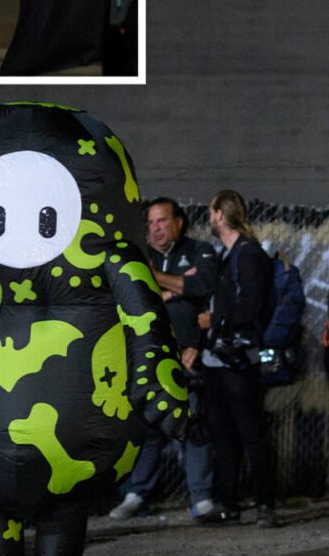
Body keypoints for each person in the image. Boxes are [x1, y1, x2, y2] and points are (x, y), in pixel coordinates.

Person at [110, 197, 224, 523]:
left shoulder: (200, 251)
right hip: (150, 359)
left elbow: (203, 284)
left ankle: (201, 500)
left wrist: (155, 277)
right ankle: (137, 495)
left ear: (179, 222)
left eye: (162, 221)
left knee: (193, 427)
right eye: (151, 223)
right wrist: (176, 288)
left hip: (189, 358)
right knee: (149, 428)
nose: (155, 228)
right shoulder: (136, 259)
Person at [199, 190, 276, 527]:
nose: (209, 217)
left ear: (220, 214)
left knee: (250, 433)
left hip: (239, 361)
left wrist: (215, 320)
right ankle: (227, 502)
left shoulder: (248, 255)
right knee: (222, 434)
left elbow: (252, 306)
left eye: (211, 211)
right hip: (218, 359)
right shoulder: (228, 255)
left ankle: (265, 505)